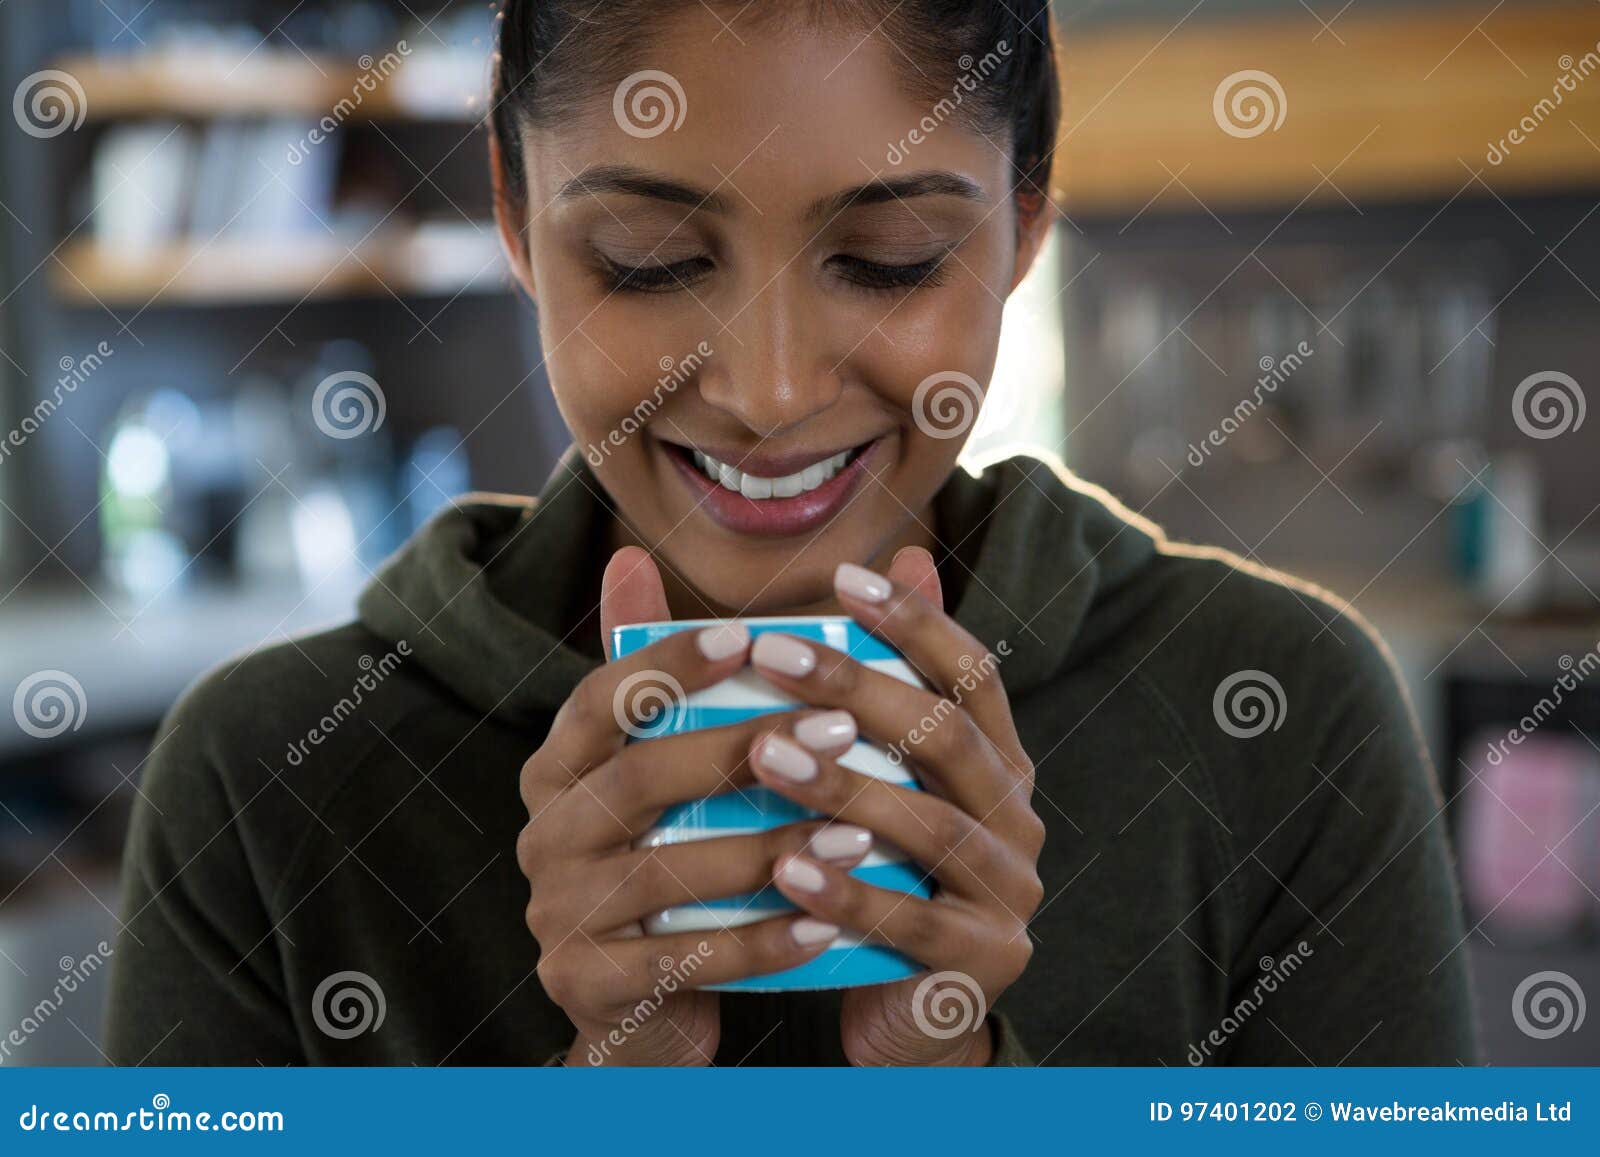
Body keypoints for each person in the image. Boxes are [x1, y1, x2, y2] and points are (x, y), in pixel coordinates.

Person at [105, 0, 1479, 1066]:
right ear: (519, 218)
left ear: (1026, 218)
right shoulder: (267, 782)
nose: (766, 390)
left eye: (888, 260)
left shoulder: (1281, 721)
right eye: (649, 256)